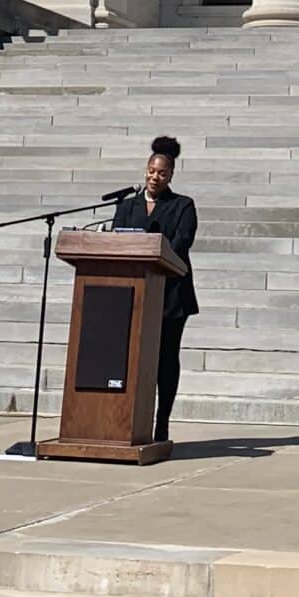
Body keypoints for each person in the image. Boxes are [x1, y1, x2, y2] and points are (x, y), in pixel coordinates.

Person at [112, 136, 197, 446]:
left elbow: (181, 244)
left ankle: (162, 422)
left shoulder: (182, 206)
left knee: (165, 357)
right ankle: (129, 419)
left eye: (162, 173)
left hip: (170, 296)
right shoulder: (127, 205)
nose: (155, 177)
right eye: (151, 171)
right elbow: (116, 241)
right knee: (130, 357)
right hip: (130, 294)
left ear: (171, 175)